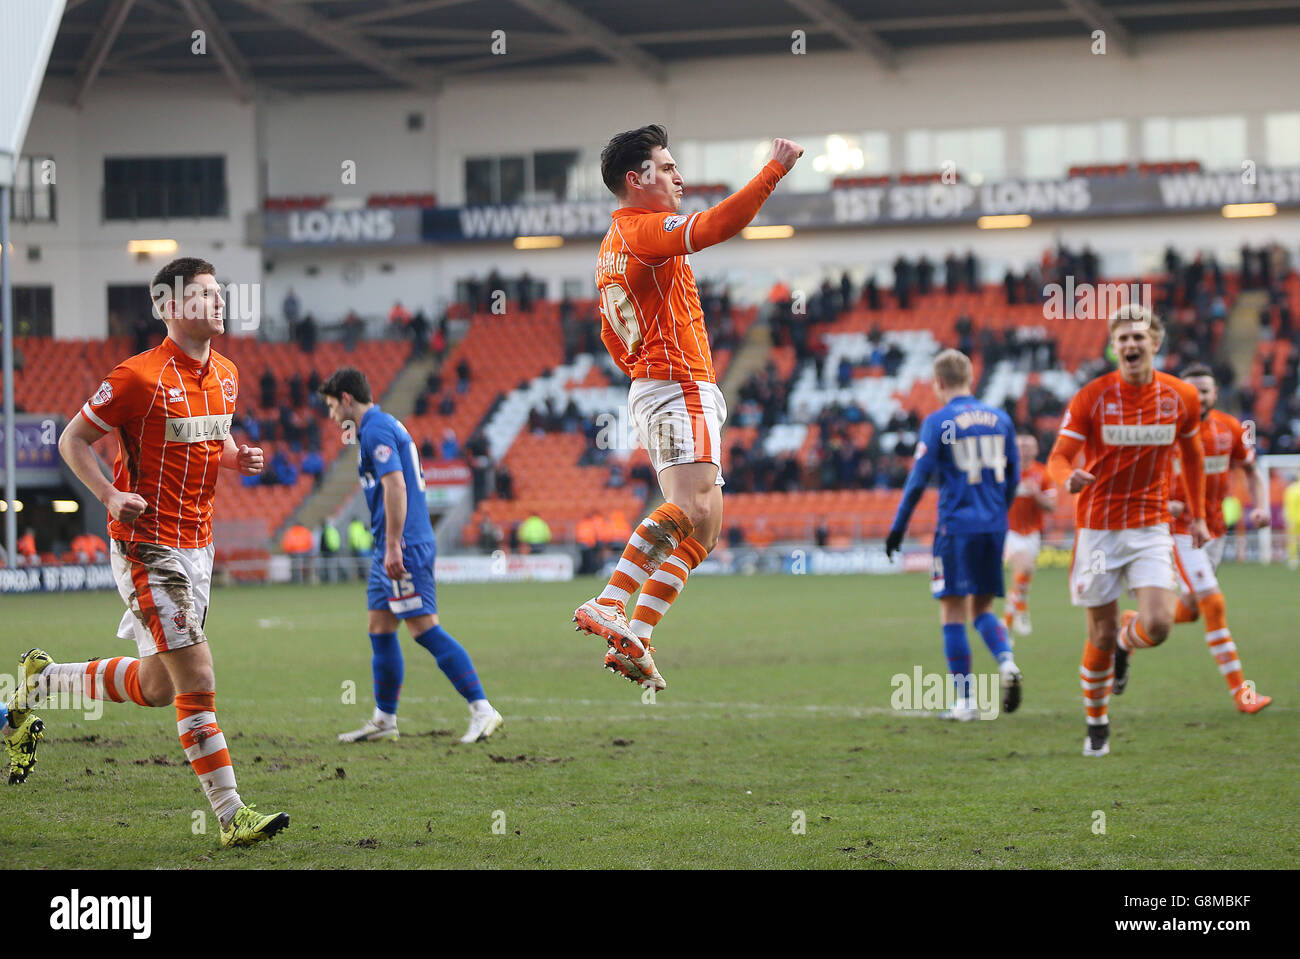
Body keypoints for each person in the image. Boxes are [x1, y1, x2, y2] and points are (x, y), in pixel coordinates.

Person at [11, 256, 287, 845]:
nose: (218, 303)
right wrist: (110, 494)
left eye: (220, 294)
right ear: (168, 306)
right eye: (204, 295)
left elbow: (214, 434)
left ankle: (40, 682)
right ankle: (232, 814)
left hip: (200, 547)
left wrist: (239, 457)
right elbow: (73, 439)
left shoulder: (229, 374)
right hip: (148, 547)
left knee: (160, 686)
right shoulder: (137, 377)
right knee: (198, 675)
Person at [572, 123, 802, 692]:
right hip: (677, 385)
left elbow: (608, 333)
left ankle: (638, 636)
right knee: (692, 506)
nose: (679, 176)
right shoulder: (643, 231)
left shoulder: (613, 246)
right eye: (668, 166)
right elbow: (716, 225)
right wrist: (773, 169)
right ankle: (610, 601)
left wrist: (646, 372)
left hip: (663, 386)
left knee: (705, 529)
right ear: (637, 178)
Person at [1047, 305, 1208, 758]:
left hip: (1150, 525)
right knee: (1097, 634)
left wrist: (1196, 515)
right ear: (1113, 346)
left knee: (1157, 624)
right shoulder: (1091, 397)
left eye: (1139, 337)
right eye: (1123, 339)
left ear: (1155, 343)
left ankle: (1125, 645)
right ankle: (1096, 722)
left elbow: (1192, 458)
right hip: (1097, 530)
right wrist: (1066, 479)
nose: (1131, 345)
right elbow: (1057, 457)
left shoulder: (1181, 397)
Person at [320, 367, 501, 745]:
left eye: (333, 405)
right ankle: (385, 719)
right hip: (386, 546)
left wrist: (392, 544)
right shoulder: (377, 428)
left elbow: (396, 485)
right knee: (380, 627)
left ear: (348, 399)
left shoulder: (376, 429)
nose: (331, 414)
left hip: (402, 545)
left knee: (423, 628)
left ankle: (482, 709)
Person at [885, 349, 1024, 722]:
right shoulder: (1001, 419)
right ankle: (1007, 661)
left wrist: (898, 528)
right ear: (972, 378)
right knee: (983, 608)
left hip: (955, 528)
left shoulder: (937, 421)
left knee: (952, 612)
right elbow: (1014, 479)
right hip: (994, 526)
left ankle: (966, 701)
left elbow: (917, 482)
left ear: (939, 383)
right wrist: (998, 510)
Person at [1130, 363, 1271, 714]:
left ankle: (1134, 625)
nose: (1199, 396)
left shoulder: (1230, 428)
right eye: (1192, 390)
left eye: (1205, 390)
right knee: (1213, 602)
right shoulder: (1162, 431)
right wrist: (1167, 504)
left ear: (1214, 393)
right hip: (1179, 532)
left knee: (1191, 611)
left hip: (1215, 532)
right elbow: (1134, 481)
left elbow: (1252, 472)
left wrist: (1261, 506)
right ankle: (1242, 693)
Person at [1002, 432, 1057, 637]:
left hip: (1033, 533)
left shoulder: (1043, 474)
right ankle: (1005, 625)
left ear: (1035, 450)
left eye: (1028, 446)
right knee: (1024, 567)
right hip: (1009, 532)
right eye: (1020, 446)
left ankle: (1021, 608)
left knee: (1023, 574)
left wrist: (1036, 494)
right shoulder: (1004, 472)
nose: (1024, 451)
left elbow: (1052, 506)